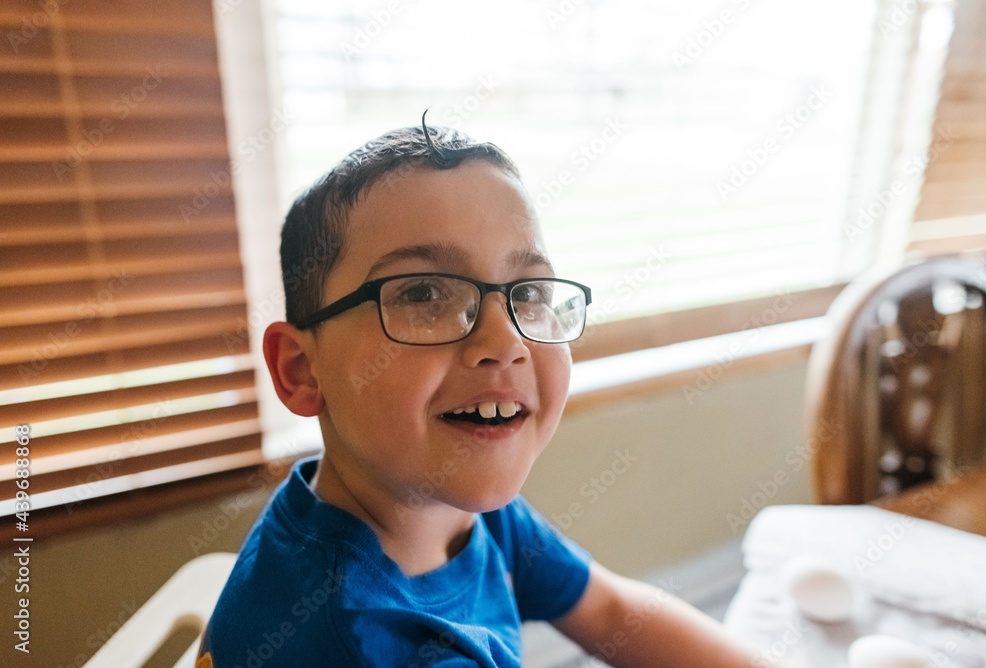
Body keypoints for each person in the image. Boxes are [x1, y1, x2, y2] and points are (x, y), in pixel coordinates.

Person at [198, 115, 793, 667]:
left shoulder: (439, 503)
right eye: (425, 294)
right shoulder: (368, 642)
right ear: (302, 370)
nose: (505, 341)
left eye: (529, 293)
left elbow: (611, 610)